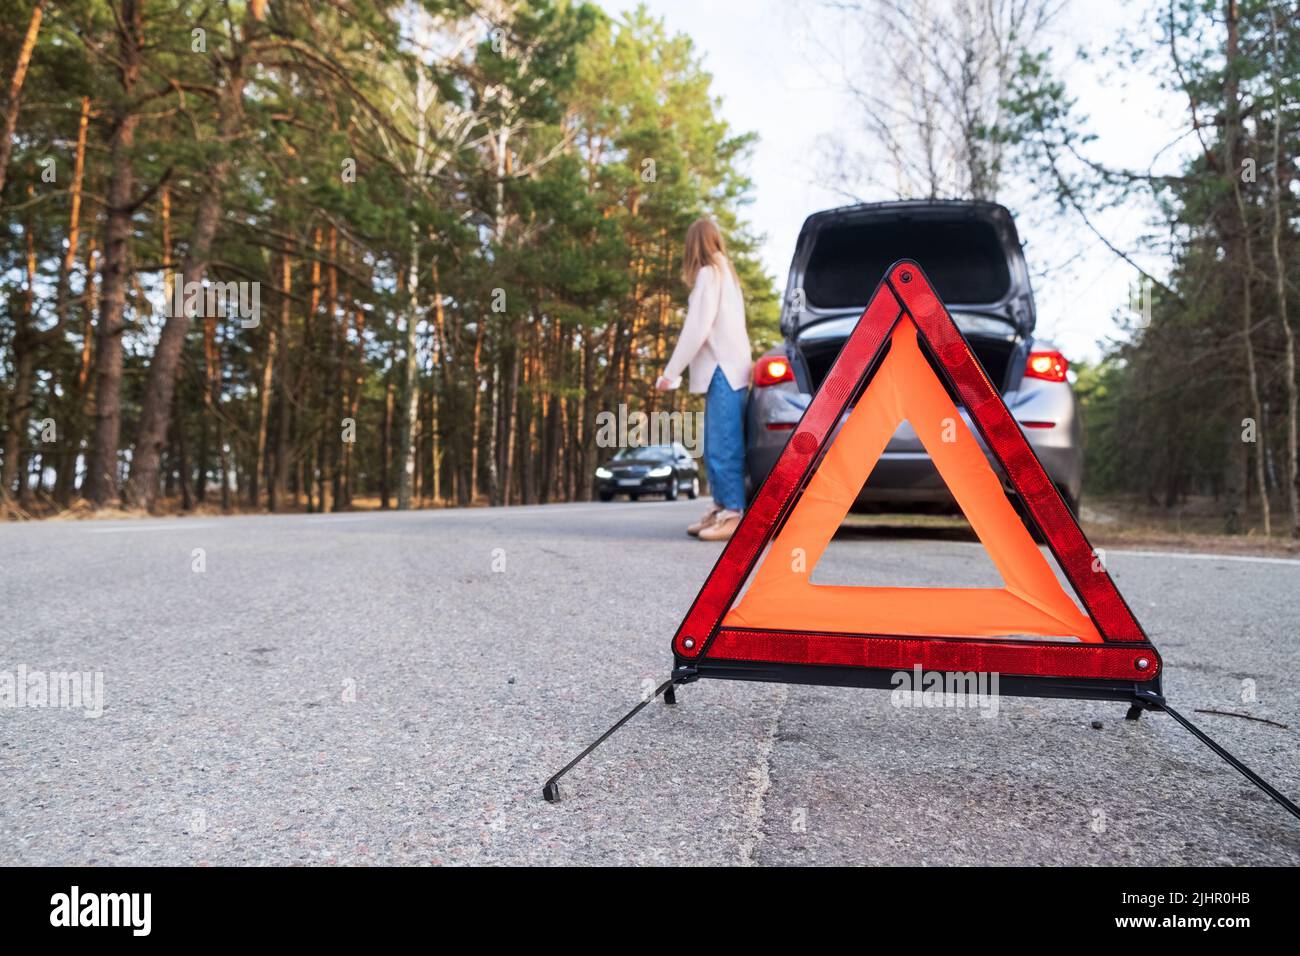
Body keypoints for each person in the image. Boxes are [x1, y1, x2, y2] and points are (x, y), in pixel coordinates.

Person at [655, 218, 752, 542]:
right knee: (716, 445)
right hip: (725, 368)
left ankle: (733, 513)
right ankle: (721, 505)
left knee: (723, 445)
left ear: (693, 245)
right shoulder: (726, 274)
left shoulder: (710, 274)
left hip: (723, 368)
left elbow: (697, 327)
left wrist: (671, 372)